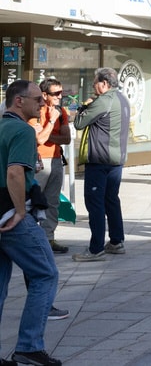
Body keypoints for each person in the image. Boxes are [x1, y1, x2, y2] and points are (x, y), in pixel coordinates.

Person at [0, 80, 62, 366]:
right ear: (18, 101)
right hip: (11, 215)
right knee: (46, 274)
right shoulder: (23, 130)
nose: (43, 103)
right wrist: (19, 211)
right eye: (37, 99)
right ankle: (29, 346)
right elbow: (15, 173)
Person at [72, 66, 130, 262]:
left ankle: (96, 249)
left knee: (95, 203)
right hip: (116, 160)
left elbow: (79, 123)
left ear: (104, 84)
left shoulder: (104, 101)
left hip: (100, 160)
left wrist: (84, 106)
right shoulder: (122, 98)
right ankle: (116, 241)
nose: (93, 86)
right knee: (111, 199)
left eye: (94, 82)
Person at [31, 79, 69, 254]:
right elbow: (38, 140)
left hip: (56, 160)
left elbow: (66, 139)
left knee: (52, 202)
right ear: (44, 95)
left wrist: (47, 133)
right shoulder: (35, 111)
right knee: (33, 201)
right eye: (56, 93)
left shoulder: (61, 111)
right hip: (38, 162)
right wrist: (52, 123)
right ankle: (31, 239)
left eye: (61, 93)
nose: (59, 96)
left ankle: (48, 239)